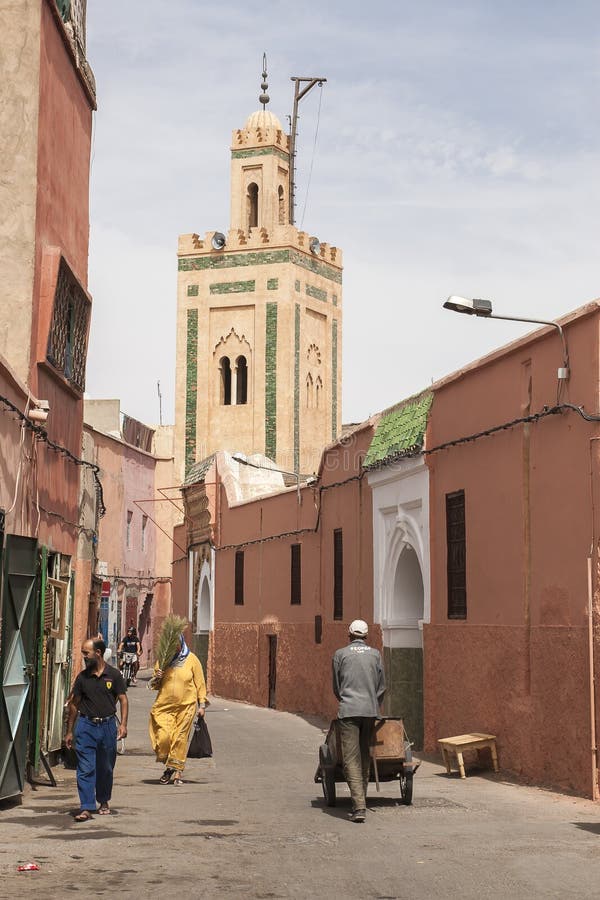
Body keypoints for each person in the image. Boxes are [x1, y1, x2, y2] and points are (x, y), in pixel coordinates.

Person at [65, 638, 128, 821]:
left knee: (106, 767)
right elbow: (75, 705)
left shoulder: (114, 675)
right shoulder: (82, 678)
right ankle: (86, 807)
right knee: (85, 768)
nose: (84, 656)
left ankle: (104, 800)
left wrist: (123, 724)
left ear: (98, 653)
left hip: (108, 726)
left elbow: (123, 700)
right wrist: (70, 731)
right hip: (86, 726)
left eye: (86, 653)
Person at [332, 619, 386, 824]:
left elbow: (336, 687)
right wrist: (373, 703)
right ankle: (360, 798)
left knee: (350, 759)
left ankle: (359, 805)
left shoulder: (340, 655)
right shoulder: (375, 654)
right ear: (365, 636)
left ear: (349, 635)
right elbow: (381, 686)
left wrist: (347, 701)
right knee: (364, 755)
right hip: (370, 711)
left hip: (349, 711)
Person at [149, 633, 207, 785]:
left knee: (180, 738)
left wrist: (201, 705)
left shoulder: (192, 659)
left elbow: (200, 683)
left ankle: (175, 772)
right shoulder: (163, 660)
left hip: (186, 705)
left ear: (181, 642)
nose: (174, 646)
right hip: (164, 706)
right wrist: (158, 676)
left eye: (176, 643)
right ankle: (169, 764)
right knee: (164, 737)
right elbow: (155, 685)